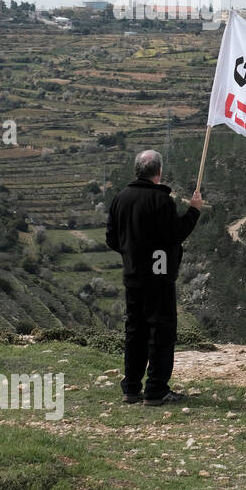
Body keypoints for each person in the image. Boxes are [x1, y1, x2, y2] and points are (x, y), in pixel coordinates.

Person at [106, 150, 203, 406]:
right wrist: (194, 211)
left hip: (133, 277)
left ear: (136, 170)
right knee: (160, 332)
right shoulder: (162, 201)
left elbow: (112, 239)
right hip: (159, 278)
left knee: (134, 331)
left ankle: (131, 388)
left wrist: (132, 254)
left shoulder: (120, 198)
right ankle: (156, 390)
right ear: (158, 173)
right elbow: (175, 234)